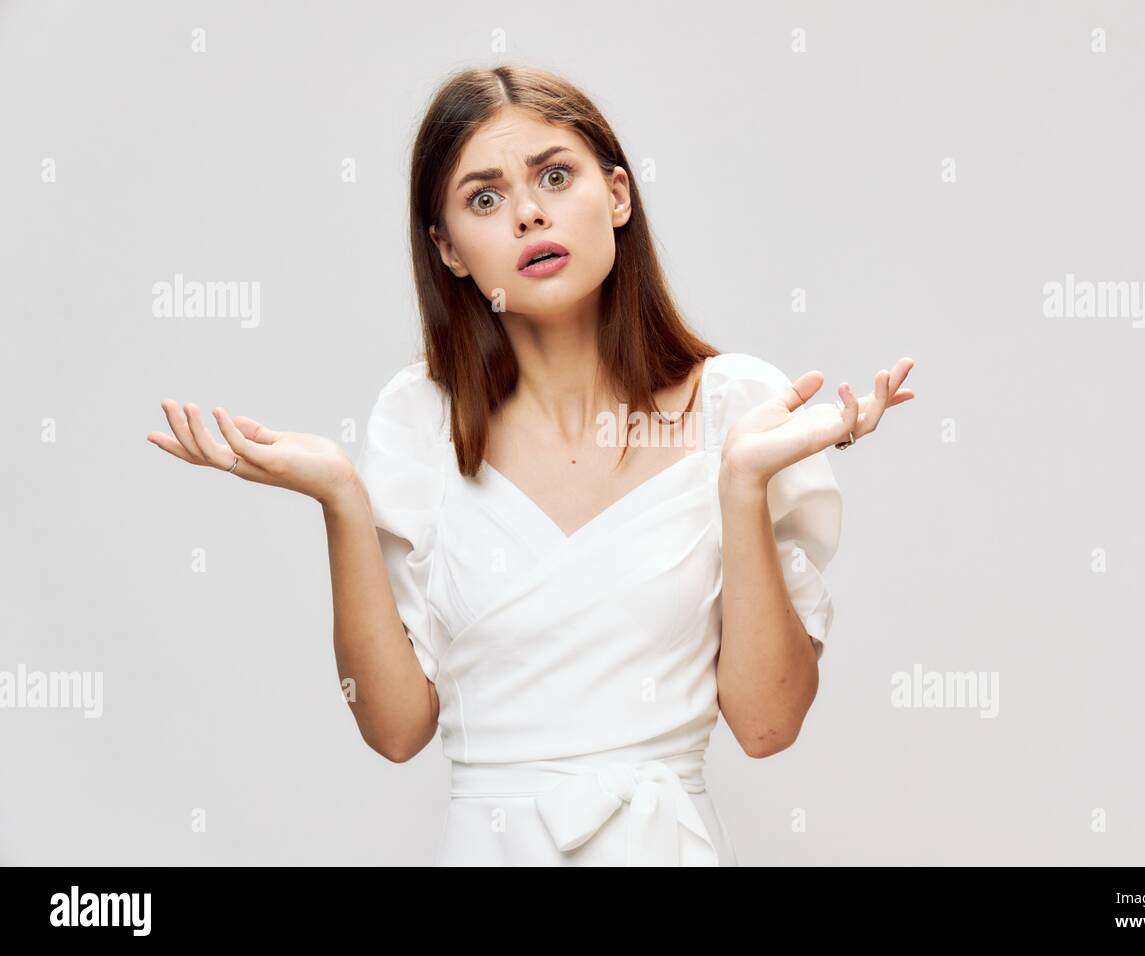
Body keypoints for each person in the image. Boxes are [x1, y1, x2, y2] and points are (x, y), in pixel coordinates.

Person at [147, 63, 915, 866]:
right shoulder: (419, 422)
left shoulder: (739, 407)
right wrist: (341, 497)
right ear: (446, 249)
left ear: (616, 196)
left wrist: (743, 485)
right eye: (484, 197)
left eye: (555, 175)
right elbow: (396, 730)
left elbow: (766, 726)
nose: (528, 213)